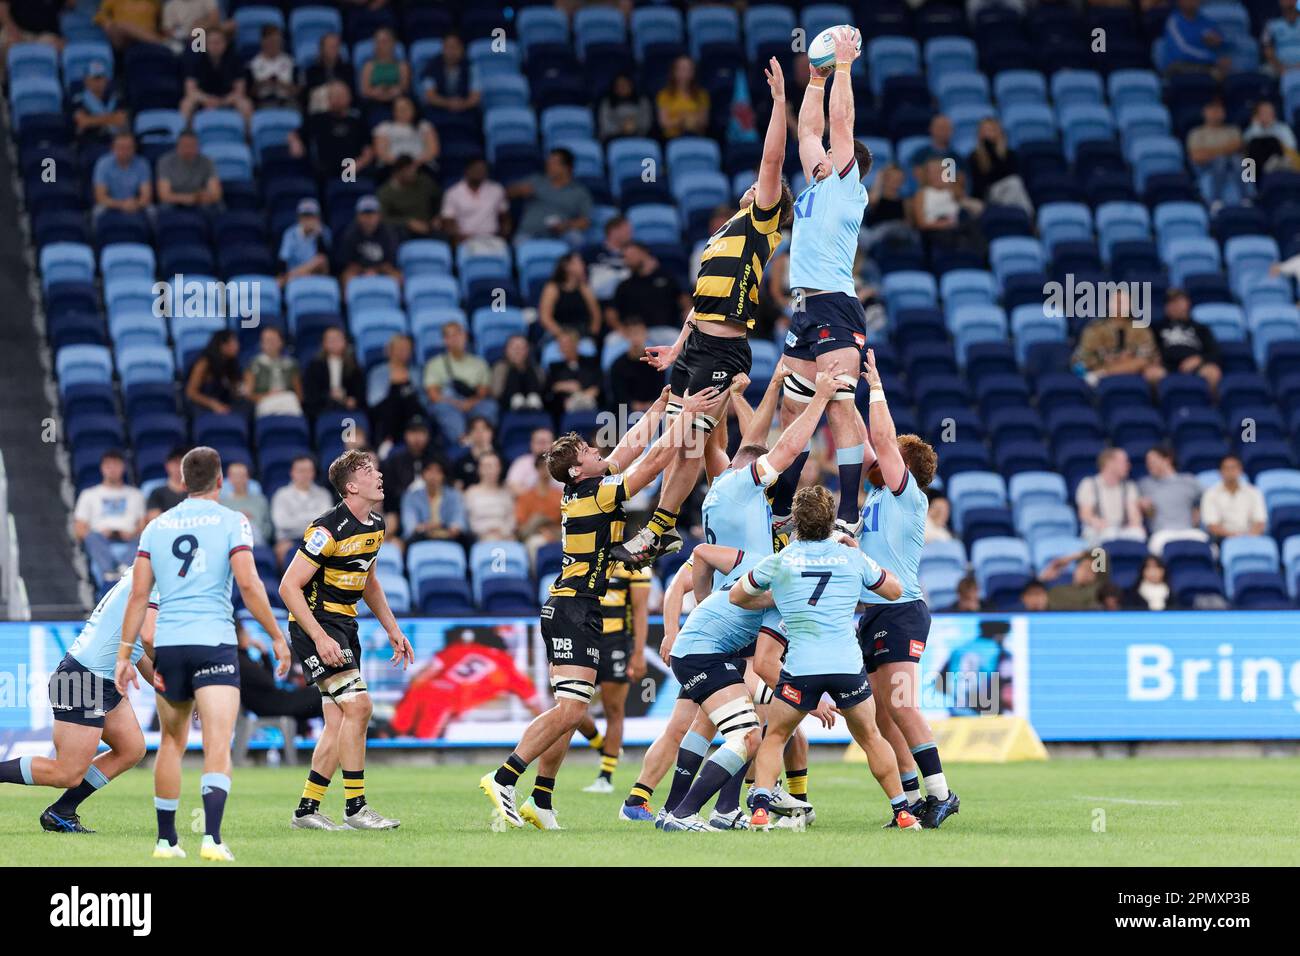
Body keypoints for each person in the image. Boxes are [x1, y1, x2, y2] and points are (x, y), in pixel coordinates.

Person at [478, 387, 725, 829]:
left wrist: (657, 407)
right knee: (572, 711)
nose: (599, 450)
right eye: (589, 450)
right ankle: (503, 777)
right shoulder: (596, 493)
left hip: (576, 607)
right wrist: (683, 416)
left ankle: (543, 799)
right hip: (573, 608)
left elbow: (631, 447)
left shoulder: (590, 487)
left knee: (568, 712)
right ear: (576, 469)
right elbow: (649, 465)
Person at [612, 58, 793, 567]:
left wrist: (779, 104)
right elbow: (702, 300)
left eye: (763, 191)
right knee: (704, 444)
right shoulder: (723, 235)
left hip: (725, 349)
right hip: (694, 346)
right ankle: (736, 517)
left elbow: (772, 161)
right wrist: (677, 344)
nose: (756, 187)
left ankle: (658, 528)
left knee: (688, 441)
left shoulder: (762, 225)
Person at [115, 446, 290, 860]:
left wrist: (125, 654)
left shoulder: (156, 527)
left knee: (172, 744)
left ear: (180, 481)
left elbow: (139, 596)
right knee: (217, 743)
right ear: (220, 480)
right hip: (214, 642)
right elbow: (248, 585)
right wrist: (277, 636)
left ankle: (165, 842)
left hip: (170, 648)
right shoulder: (233, 520)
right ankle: (211, 839)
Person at [726, 485, 914, 832]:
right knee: (871, 736)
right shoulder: (851, 556)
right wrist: (858, 553)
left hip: (801, 669)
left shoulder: (780, 561)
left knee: (776, 737)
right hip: (846, 666)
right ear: (830, 522)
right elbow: (895, 590)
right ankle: (903, 811)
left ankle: (761, 810)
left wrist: (777, 597)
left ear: (794, 521)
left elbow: (737, 596)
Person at [761, 33, 875, 541]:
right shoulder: (815, 184)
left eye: (830, 152)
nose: (821, 152)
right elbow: (809, 128)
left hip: (834, 304)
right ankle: (784, 505)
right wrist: (815, 79)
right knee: (793, 406)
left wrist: (844, 69)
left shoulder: (848, 186)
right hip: (804, 308)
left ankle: (849, 510)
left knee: (840, 404)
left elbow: (839, 124)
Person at [279, 450, 414, 830]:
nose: (379, 474)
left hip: (345, 625)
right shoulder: (326, 530)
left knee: (339, 720)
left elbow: (367, 579)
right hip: (316, 625)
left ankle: (306, 810)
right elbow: (289, 586)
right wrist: (319, 637)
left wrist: (392, 628)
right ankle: (356, 808)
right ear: (351, 486)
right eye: (369, 471)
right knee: (360, 707)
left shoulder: (375, 524)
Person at [854, 348, 958, 828]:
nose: (882, 452)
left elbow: (877, 437)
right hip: (875, 611)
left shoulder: (906, 493)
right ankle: (914, 797)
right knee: (882, 715)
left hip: (901, 609)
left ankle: (942, 793)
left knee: (901, 703)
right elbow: (862, 439)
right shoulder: (877, 495)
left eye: (892, 450)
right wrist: (836, 397)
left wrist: (873, 385)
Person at [0, 568, 155, 833]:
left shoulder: (147, 573)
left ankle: (61, 813)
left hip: (102, 679)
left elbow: (139, 650)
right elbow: (150, 639)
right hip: (83, 679)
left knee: (131, 749)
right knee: (66, 773)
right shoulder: (158, 577)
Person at [583, 554, 649, 794]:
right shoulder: (587, 555)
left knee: (614, 709)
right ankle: (604, 747)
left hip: (615, 644)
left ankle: (605, 776)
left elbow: (640, 612)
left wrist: (639, 653)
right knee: (571, 708)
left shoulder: (634, 565)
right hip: (583, 637)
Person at [73, 450, 145, 583]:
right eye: (108, 466)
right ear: (102, 468)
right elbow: (79, 528)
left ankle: (124, 567)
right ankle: (110, 571)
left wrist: (132, 533)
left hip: (129, 540)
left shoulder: (136, 494)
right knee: (91, 537)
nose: (112, 470)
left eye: (116, 465)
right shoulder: (88, 494)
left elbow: (142, 525)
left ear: (123, 467)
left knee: (145, 537)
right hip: (101, 540)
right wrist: (100, 534)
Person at [1072, 289, 1164, 386]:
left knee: (1157, 372)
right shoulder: (1095, 329)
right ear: (1108, 304)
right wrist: (1116, 359)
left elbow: (1149, 357)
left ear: (1130, 305)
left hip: (1133, 372)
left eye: (1123, 302)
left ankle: (1107, 373)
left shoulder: (1141, 328)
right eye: (1116, 302)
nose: (1120, 305)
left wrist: (1117, 364)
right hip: (1102, 368)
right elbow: (1083, 357)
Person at [290, 81, 374, 179]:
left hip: (351, 171)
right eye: (334, 95)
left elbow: (368, 150)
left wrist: (357, 165)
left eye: (341, 95)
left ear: (349, 97)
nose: (337, 99)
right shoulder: (317, 119)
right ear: (328, 98)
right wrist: (295, 142)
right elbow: (294, 134)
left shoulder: (357, 121)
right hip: (324, 172)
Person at [422, 319, 492, 435]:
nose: (455, 339)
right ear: (445, 340)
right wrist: (456, 404)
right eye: (450, 336)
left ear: (465, 336)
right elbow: (433, 395)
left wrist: (470, 403)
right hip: (448, 403)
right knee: (443, 409)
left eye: (458, 334)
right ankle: (462, 442)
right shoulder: (434, 364)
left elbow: (482, 392)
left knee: (489, 406)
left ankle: (481, 440)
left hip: (473, 403)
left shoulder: (479, 363)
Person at [508, 147, 592, 243]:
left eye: (553, 164)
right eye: (548, 163)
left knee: (576, 239)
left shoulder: (579, 192)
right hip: (530, 232)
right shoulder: (536, 180)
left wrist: (566, 225)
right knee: (519, 241)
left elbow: (585, 222)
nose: (548, 166)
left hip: (561, 234)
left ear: (567, 168)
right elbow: (507, 193)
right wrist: (518, 190)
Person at [1140, 446, 1209, 554]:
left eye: (1152, 461)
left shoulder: (1188, 481)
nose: (1149, 465)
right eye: (1147, 462)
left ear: (1167, 460)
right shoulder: (1145, 484)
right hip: (1162, 534)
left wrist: (1198, 510)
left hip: (1188, 531)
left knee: (1210, 549)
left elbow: (1210, 498)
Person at [1155, 288, 1221, 392]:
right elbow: (1150, 348)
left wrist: (1198, 359)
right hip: (1166, 365)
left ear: (1187, 304)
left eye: (1179, 302)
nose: (1175, 306)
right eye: (1171, 303)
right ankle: (1156, 406)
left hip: (1196, 366)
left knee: (1212, 372)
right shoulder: (1157, 327)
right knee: (1152, 373)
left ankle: (1211, 406)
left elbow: (1214, 352)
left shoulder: (1200, 328)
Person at [180, 27, 252, 124]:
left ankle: (247, 137)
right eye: (211, 42)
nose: (215, 46)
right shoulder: (196, 60)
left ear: (225, 44)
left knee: (245, 104)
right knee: (186, 104)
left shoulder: (235, 60)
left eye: (218, 42)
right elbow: (190, 90)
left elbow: (240, 90)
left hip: (228, 100)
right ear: (205, 44)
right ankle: (187, 135)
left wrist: (223, 101)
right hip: (203, 100)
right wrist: (206, 99)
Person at [270, 456, 333, 565]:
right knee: (284, 551)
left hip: (318, 539)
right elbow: (282, 523)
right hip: (290, 540)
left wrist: (297, 518)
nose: (305, 474)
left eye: (309, 470)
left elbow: (327, 522)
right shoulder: (281, 495)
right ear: (292, 472)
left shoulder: (323, 494)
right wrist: (313, 519)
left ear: (313, 473)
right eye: (301, 471)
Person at [609, 242, 686, 330]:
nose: (628, 259)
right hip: (633, 332)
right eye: (625, 257)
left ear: (644, 253)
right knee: (613, 341)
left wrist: (687, 310)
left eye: (632, 254)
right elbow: (611, 312)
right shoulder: (624, 285)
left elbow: (683, 298)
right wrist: (622, 330)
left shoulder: (666, 277)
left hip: (665, 330)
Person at [966, 116, 1033, 215]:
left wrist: (994, 152)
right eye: (985, 130)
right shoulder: (974, 157)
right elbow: (980, 183)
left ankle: (1018, 217)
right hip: (989, 194)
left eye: (991, 130)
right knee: (1014, 184)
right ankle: (1028, 217)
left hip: (1008, 191)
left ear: (999, 132)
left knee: (1014, 184)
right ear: (980, 134)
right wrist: (988, 147)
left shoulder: (1009, 154)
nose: (988, 133)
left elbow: (1010, 173)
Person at [1077, 448, 1146, 544]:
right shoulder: (1089, 484)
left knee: (1138, 534)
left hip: (1121, 529)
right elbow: (1085, 514)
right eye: (1124, 462)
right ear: (1110, 463)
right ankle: (1100, 559)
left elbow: (1134, 514)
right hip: (1098, 528)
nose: (1128, 465)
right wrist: (1096, 522)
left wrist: (1136, 524)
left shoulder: (1129, 486)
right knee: (1103, 534)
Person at [1187, 98, 1244, 209]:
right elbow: (1196, 156)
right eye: (1212, 110)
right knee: (1221, 160)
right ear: (1205, 112)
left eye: (1219, 110)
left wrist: (1210, 151)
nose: (1216, 113)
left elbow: (1238, 146)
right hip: (1206, 167)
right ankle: (1216, 200)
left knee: (1246, 161)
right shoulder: (1196, 133)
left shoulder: (1233, 130)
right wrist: (1224, 151)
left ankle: (1247, 198)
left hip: (1233, 165)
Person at [369, 333, 425, 448]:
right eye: (400, 348)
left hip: (411, 410)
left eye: (407, 349)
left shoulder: (416, 372)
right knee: (395, 402)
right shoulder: (378, 372)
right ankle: (387, 442)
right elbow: (374, 400)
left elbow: (422, 398)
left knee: (411, 401)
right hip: (387, 412)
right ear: (390, 350)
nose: (404, 352)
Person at [381, 414, 439, 521]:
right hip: (400, 512)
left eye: (421, 432)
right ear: (406, 435)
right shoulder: (394, 460)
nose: (417, 437)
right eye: (413, 432)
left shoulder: (437, 458)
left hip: (434, 509)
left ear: (428, 435)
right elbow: (388, 491)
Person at [438, 156, 509, 241]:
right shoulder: (452, 193)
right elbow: (448, 222)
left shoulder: (497, 189)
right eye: (476, 169)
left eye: (482, 169)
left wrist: (503, 237)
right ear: (467, 170)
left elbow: (504, 217)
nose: (479, 172)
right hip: (465, 239)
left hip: (492, 238)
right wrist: (458, 238)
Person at [336, 195, 401, 288]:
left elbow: (391, 261)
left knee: (398, 277)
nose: (368, 218)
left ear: (379, 216)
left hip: (382, 268)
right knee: (347, 276)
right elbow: (346, 262)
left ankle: (397, 302)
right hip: (359, 269)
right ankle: (347, 302)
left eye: (372, 214)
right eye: (365, 214)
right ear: (358, 216)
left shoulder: (388, 233)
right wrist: (365, 270)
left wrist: (376, 270)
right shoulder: (350, 233)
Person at [302, 326, 366, 421]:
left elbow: (359, 391)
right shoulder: (314, 366)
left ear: (345, 342)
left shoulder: (354, 366)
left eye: (338, 339)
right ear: (324, 343)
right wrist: (329, 395)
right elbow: (311, 393)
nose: (335, 342)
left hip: (347, 407)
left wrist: (350, 399)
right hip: (322, 407)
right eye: (331, 339)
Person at [401, 457, 467, 545]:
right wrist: (429, 527)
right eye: (429, 471)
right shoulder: (411, 496)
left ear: (443, 475)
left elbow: (459, 522)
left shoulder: (454, 496)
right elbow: (410, 525)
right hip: (421, 539)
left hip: (449, 539)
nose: (433, 476)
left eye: (438, 472)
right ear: (423, 474)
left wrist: (453, 528)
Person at [1200, 454, 1267, 540]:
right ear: (1220, 472)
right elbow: (1212, 525)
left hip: (1251, 538)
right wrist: (1235, 538)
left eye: (1234, 468)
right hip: (1222, 540)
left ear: (1241, 470)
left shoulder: (1254, 492)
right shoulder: (1210, 494)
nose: (1230, 472)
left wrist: (1249, 537)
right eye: (1226, 468)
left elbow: (1260, 522)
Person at [1159, 0, 1230, 78]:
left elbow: (1224, 42)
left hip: (1207, 65)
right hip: (1179, 67)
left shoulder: (1206, 21)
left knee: (1233, 73)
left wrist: (1219, 42)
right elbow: (1181, 52)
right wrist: (1213, 59)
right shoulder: (1173, 22)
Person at [539, 252, 601, 340]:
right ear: (567, 267)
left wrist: (592, 335)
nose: (583, 266)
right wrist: (562, 334)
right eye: (579, 263)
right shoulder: (552, 288)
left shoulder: (585, 288)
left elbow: (596, 315)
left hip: (582, 332)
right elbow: (545, 317)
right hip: (558, 333)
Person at [156, 128, 222, 211]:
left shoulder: (207, 162)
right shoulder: (165, 161)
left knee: (215, 207)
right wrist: (190, 198)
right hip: (175, 202)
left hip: (200, 201)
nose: (188, 149)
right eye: (185, 145)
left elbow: (216, 193)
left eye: (192, 146)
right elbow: (164, 195)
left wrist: (206, 196)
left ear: (198, 146)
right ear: (177, 146)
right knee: (165, 208)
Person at [609, 318, 666, 412]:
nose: (635, 337)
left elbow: (661, 387)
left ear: (645, 334)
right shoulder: (618, 365)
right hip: (626, 411)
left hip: (655, 408)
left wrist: (652, 404)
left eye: (638, 333)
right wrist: (632, 405)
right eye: (632, 333)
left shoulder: (656, 360)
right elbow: (618, 393)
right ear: (626, 336)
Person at [544, 327, 602, 420]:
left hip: (590, 405)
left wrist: (589, 391)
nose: (564, 347)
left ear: (576, 344)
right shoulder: (554, 367)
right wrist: (563, 386)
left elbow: (599, 384)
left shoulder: (591, 363)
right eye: (561, 344)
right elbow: (548, 390)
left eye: (567, 344)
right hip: (565, 410)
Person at [185, 329, 246, 417]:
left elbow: (235, 389)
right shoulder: (204, 363)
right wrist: (213, 404)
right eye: (233, 343)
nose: (237, 346)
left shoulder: (232, 363)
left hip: (224, 401)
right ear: (223, 346)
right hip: (203, 404)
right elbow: (191, 393)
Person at [92, 132, 152, 220]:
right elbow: (100, 197)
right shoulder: (103, 164)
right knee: (97, 212)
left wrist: (136, 203)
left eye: (129, 148)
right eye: (120, 147)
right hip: (110, 203)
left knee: (152, 212)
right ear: (113, 149)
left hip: (135, 203)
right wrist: (122, 205)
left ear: (134, 149)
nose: (125, 151)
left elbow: (146, 196)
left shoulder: (142, 164)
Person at [245, 326, 302, 418]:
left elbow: (299, 394)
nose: (269, 343)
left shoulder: (291, 364)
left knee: (291, 400)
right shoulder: (253, 364)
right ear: (261, 343)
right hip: (264, 400)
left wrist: (282, 394)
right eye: (266, 340)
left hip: (287, 400)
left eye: (273, 340)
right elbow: (249, 394)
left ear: (281, 342)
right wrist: (267, 395)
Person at [420, 31, 479, 119]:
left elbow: (475, 97)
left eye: (455, 47)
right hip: (438, 108)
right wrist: (449, 103)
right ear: (442, 48)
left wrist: (462, 104)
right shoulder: (431, 67)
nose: (451, 51)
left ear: (462, 49)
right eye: (448, 47)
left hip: (464, 108)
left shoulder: (471, 67)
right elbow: (430, 96)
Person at [377, 156, 440, 238]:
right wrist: (407, 222)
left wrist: (438, 216)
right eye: (409, 170)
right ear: (398, 172)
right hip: (402, 232)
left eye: (414, 169)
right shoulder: (385, 192)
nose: (413, 173)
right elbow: (382, 219)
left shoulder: (424, 182)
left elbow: (441, 198)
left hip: (429, 229)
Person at [374, 95, 439, 171]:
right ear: (394, 111)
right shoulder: (384, 127)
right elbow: (381, 153)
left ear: (414, 109)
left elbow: (433, 150)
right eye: (399, 109)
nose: (403, 112)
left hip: (421, 165)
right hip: (393, 166)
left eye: (406, 108)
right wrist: (401, 165)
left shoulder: (424, 126)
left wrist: (415, 163)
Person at [514, 453, 563, 554]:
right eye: (542, 466)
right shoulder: (526, 497)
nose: (546, 470)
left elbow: (566, 523)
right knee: (535, 543)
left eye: (549, 467)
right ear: (537, 469)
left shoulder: (560, 495)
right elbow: (521, 528)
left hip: (556, 534)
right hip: (534, 535)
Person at [72, 61, 128, 144]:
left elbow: (121, 120)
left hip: (115, 142)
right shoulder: (78, 100)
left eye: (101, 78)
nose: (98, 82)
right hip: (90, 143)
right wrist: (112, 118)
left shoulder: (116, 97)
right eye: (95, 79)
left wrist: (92, 120)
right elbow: (83, 122)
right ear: (86, 80)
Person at [277, 198, 331, 283]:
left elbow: (327, 261)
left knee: (321, 260)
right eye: (305, 216)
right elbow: (283, 260)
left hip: (316, 275)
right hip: (294, 275)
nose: (308, 220)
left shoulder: (324, 232)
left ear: (318, 217)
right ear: (299, 217)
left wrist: (319, 237)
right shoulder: (290, 234)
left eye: (311, 216)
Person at [656, 55, 709, 139]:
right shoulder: (664, 94)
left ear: (693, 72)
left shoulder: (702, 94)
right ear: (674, 71)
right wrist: (682, 120)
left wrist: (692, 121)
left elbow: (704, 121)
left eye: (688, 69)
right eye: (681, 69)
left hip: (696, 137)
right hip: (671, 138)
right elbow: (664, 123)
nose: (685, 72)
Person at [464, 452, 515, 540]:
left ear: (499, 469)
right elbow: (468, 521)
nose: (491, 470)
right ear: (479, 469)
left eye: (495, 466)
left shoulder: (506, 493)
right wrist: (485, 531)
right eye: (487, 466)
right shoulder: (470, 493)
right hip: (479, 537)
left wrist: (503, 532)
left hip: (504, 536)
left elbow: (511, 519)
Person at [246, 23, 297, 109]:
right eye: (271, 41)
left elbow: (297, 91)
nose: (274, 44)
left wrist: (282, 84)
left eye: (277, 41)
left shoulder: (290, 62)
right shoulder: (253, 64)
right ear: (263, 41)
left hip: (286, 101)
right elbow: (249, 92)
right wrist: (262, 84)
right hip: (262, 102)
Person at [302, 32, 354, 114]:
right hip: (320, 108)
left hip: (343, 107)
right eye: (331, 47)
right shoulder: (312, 71)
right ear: (322, 49)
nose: (335, 49)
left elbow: (351, 91)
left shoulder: (347, 69)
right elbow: (308, 94)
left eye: (336, 46)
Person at [492, 335, 546, 412]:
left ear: (527, 350)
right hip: (507, 404)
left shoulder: (536, 369)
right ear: (506, 350)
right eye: (514, 348)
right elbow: (496, 393)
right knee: (513, 371)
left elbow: (543, 389)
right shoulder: (499, 368)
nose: (517, 351)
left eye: (521, 348)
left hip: (535, 403)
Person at [1243, 99, 1299, 174]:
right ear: (1257, 115)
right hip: (1259, 167)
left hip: (1282, 161)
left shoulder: (1282, 128)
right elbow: (1247, 148)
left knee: (1272, 140)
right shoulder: (1252, 130)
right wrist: (1256, 126)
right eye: (1265, 112)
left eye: (1271, 111)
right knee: (1256, 142)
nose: (1270, 114)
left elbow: (1292, 147)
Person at [587, 214, 632, 303]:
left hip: (625, 300)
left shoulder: (633, 252)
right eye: (627, 231)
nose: (630, 234)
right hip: (597, 298)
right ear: (613, 231)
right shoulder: (591, 251)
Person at [223, 460, 271, 545]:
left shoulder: (260, 501)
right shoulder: (223, 504)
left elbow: (268, 527)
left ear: (248, 477)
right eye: (234, 476)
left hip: (257, 545)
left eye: (241, 476)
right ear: (229, 478)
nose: (238, 479)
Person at [359, 27, 409, 105]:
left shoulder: (402, 65)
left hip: (397, 101)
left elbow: (404, 87)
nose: (380, 45)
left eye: (384, 42)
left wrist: (395, 91)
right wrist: (375, 92)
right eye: (377, 42)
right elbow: (364, 90)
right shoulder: (368, 66)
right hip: (374, 102)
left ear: (393, 43)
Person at [598, 72, 652, 140]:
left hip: (639, 136)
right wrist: (621, 128)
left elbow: (647, 123)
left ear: (631, 85)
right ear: (614, 87)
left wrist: (634, 127)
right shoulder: (607, 102)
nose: (622, 87)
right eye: (619, 85)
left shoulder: (642, 100)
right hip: (613, 139)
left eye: (625, 84)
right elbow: (605, 126)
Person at [96, 0, 165, 50]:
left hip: (147, 34)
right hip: (123, 37)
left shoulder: (154, 2)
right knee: (122, 26)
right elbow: (101, 15)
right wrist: (107, 23)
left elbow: (160, 23)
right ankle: (162, 44)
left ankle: (158, 42)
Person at [505, 426, 555, 495]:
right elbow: (513, 486)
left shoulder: (562, 463)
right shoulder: (521, 462)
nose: (543, 447)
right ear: (532, 444)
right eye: (539, 442)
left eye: (546, 442)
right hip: (528, 503)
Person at [145, 448, 188, 520]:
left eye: (183, 463)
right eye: (176, 463)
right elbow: (155, 521)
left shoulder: (197, 492)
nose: (180, 467)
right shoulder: (156, 493)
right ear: (167, 465)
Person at [1264, 0, 1300, 74]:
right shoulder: (1271, 24)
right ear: (1280, 2)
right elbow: (1267, 48)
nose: (1289, 1)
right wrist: (1279, 67)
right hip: (1279, 67)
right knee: (1265, 71)